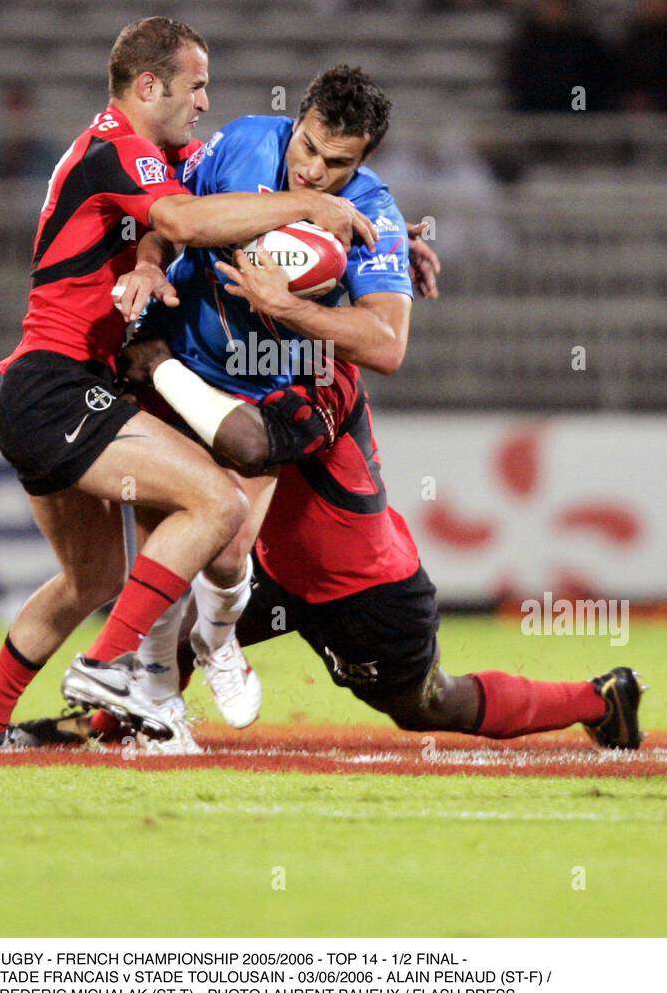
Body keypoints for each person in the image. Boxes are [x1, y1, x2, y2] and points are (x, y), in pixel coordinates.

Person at [0, 18, 374, 751]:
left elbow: (183, 211)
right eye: (195, 84)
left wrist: (390, 238)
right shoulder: (115, 146)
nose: (204, 101)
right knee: (216, 500)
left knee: (90, 577)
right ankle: (110, 667)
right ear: (149, 86)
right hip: (58, 388)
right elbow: (181, 215)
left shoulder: (142, 154)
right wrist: (308, 207)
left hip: (41, 392)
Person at [42, 333, 646, 754]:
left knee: (428, 706)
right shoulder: (249, 353)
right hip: (278, 572)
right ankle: (106, 727)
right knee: (170, 624)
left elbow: (246, 443)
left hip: (364, 589)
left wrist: (164, 368)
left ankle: (599, 701)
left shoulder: (323, 376)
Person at [57, 66, 429, 744]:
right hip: (179, 359)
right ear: (299, 121)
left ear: (365, 159)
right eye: (309, 147)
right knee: (169, 530)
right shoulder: (245, 144)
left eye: (338, 162)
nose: (314, 171)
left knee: (228, 557)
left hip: (261, 387)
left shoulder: (376, 214)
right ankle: (154, 698)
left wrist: (286, 307)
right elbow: (169, 219)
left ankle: (216, 641)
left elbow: (384, 343)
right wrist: (145, 264)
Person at [507, 0, 614, 112]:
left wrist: (578, 110)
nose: (552, 10)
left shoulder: (585, 42)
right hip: (535, 117)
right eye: (547, 5)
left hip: (577, 117)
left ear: (567, 6)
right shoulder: (528, 43)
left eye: (556, 4)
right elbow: (520, 83)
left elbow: (593, 82)